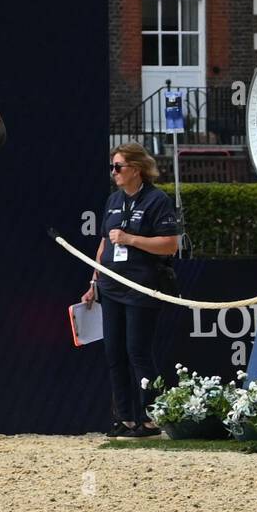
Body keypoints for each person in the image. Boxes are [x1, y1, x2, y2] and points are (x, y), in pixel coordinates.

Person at [80, 143, 180, 439]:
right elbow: (103, 246)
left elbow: (170, 244)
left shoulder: (156, 200)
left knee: (138, 351)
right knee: (114, 352)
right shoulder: (113, 200)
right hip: (111, 287)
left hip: (141, 286)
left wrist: (131, 239)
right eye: (112, 167)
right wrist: (93, 281)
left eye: (119, 167)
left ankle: (151, 418)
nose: (114, 173)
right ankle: (125, 418)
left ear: (136, 169)